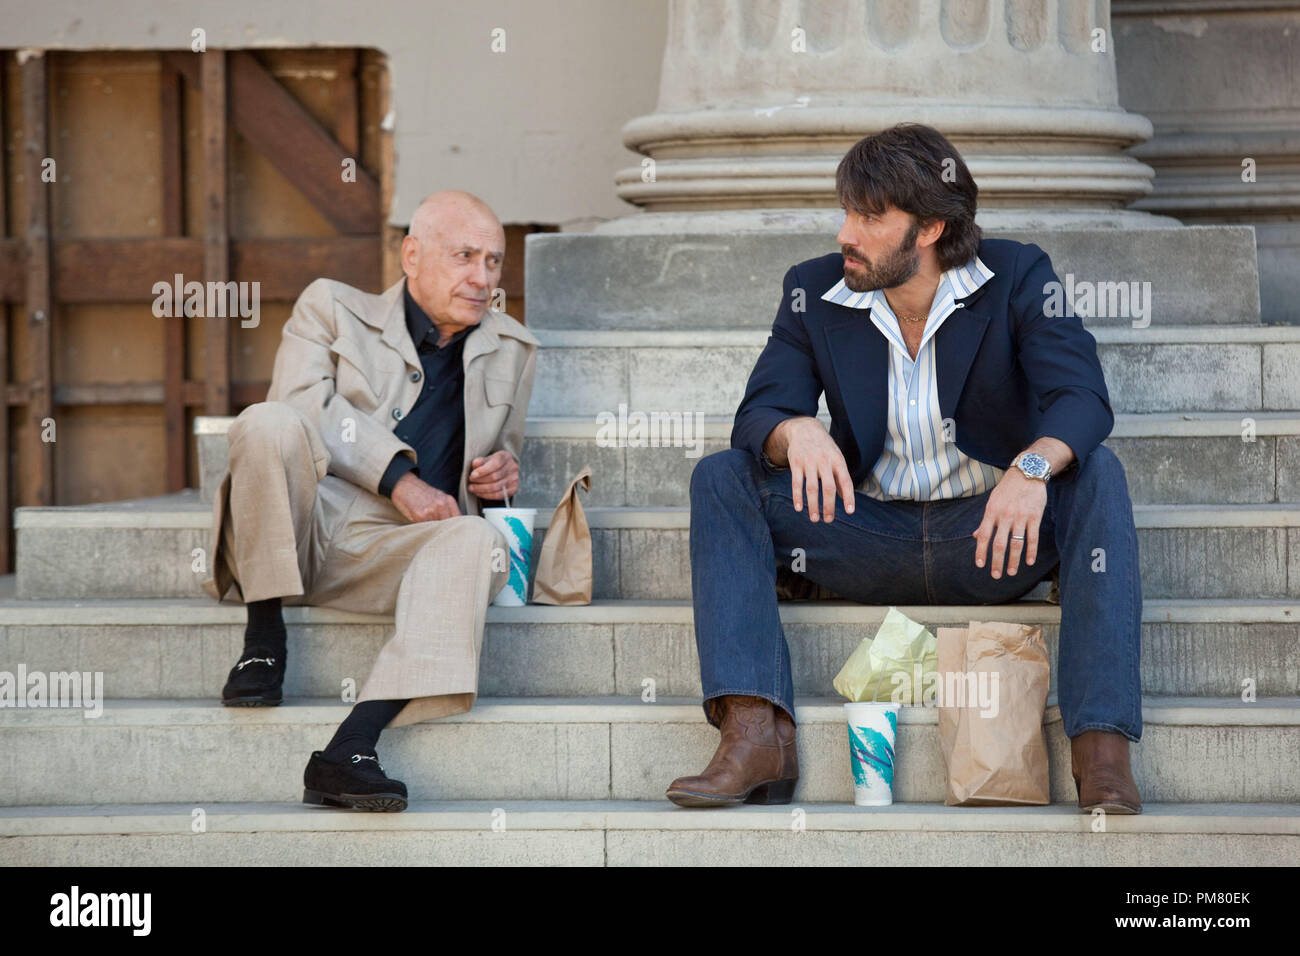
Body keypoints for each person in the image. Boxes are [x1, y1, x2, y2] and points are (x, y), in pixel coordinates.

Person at [667, 124, 1143, 814]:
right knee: (721, 476)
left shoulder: (1015, 276)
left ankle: (1101, 751)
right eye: (846, 211)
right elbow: (759, 410)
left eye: (868, 216)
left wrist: (1031, 469)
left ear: (930, 228)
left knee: (1098, 474)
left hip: (989, 539)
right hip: (864, 535)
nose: (845, 233)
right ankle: (753, 733)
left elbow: (1083, 398)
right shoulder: (813, 290)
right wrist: (794, 429)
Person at [201, 190, 539, 812]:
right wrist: (398, 481)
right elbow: (303, 405)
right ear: (411, 255)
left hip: (396, 553)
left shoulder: (513, 348)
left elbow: (496, 468)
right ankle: (264, 638)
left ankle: (349, 748)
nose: (482, 277)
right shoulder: (330, 307)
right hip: (304, 526)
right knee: (267, 421)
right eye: (465, 256)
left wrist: (499, 476)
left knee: (477, 539)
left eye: (494, 262)